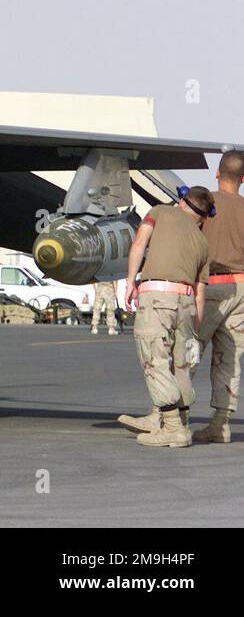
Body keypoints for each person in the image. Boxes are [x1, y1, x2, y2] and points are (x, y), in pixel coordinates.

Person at [116, 187, 213, 447]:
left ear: (182, 201)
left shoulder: (159, 212)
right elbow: (200, 294)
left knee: (154, 359)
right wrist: (195, 330)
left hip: (157, 297)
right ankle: (178, 423)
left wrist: (129, 283)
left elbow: (138, 243)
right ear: (204, 217)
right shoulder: (203, 243)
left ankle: (171, 428)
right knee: (179, 365)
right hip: (187, 302)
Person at [193, 151, 244, 443]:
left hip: (210, 286)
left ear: (217, 173)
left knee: (188, 350)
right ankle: (221, 424)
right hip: (241, 289)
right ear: (243, 179)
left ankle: (173, 417)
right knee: (229, 358)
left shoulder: (204, 204)